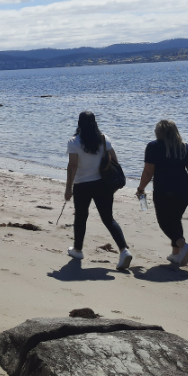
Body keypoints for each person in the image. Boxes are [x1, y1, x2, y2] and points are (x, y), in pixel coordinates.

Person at [64, 110, 131, 270]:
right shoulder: (104, 139)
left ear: (79, 124)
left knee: (81, 217)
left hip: (82, 185)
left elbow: (73, 165)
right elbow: (115, 161)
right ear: (95, 123)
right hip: (103, 184)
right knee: (108, 219)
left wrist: (68, 188)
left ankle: (78, 250)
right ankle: (124, 250)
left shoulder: (73, 142)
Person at [135, 118, 188, 267]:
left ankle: (183, 246)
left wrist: (141, 188)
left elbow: (148, 172)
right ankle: (176, 254)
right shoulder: (185, 147)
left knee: (164, 223)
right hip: (184, 192)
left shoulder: (153, 146)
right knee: (175, 220)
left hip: (164, 191)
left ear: (159, 132)